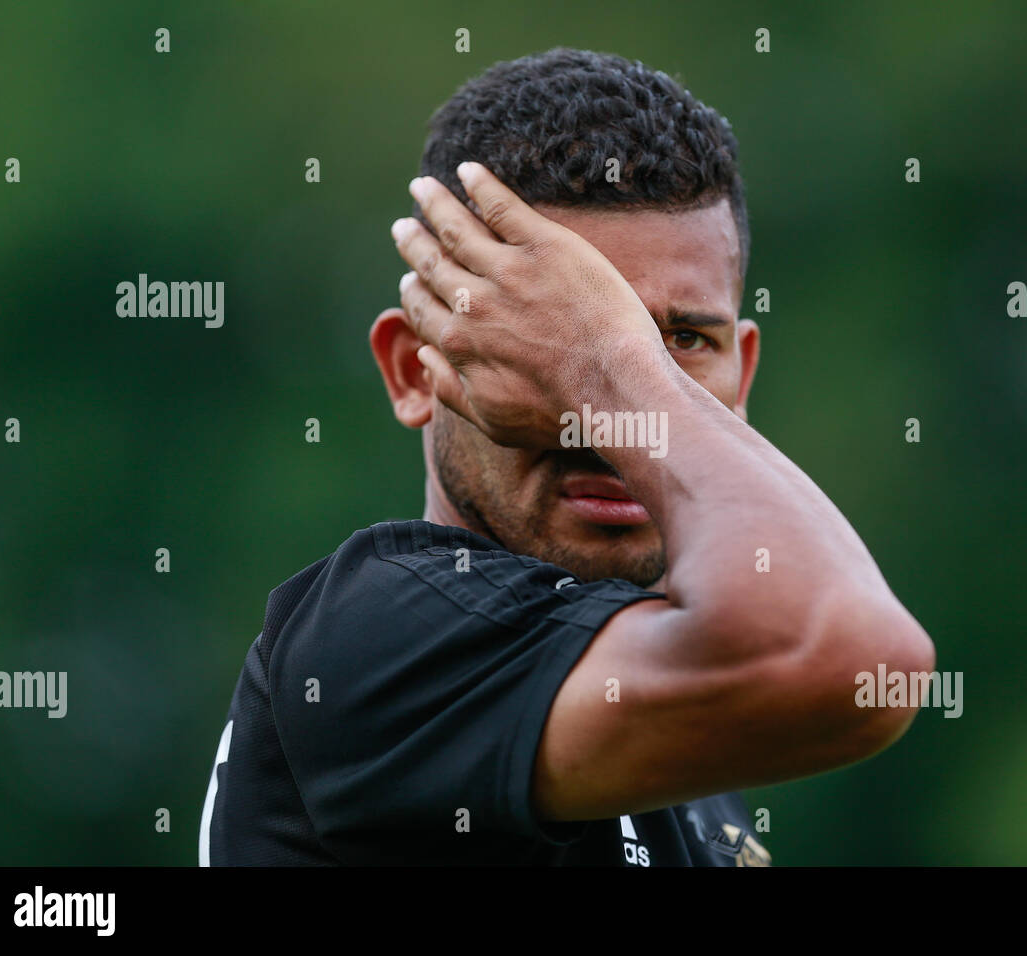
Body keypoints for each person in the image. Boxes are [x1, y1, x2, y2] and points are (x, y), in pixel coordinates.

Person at [200, 47, 934, 866]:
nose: (600, 421)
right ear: (415, 370)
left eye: (683, 342)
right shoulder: (372, 635)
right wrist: (618, 375)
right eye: (553, 341)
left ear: (743, 378)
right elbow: (851, 662)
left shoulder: (675, 673)